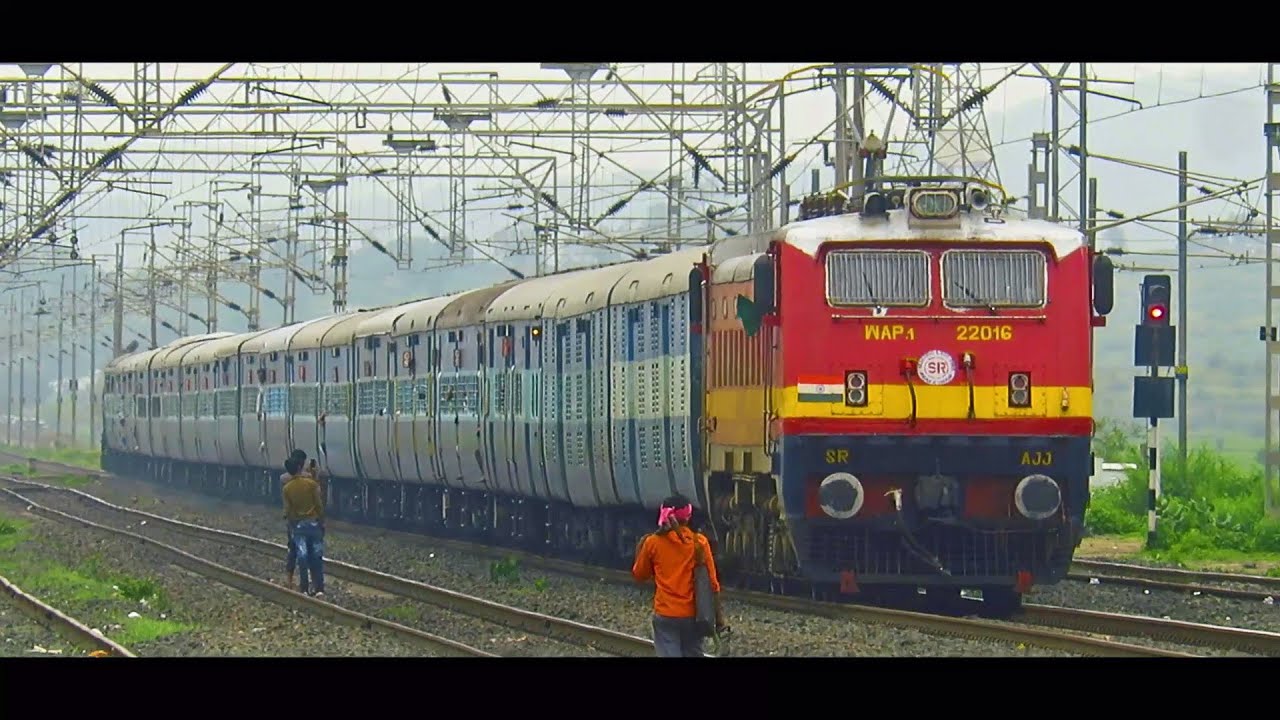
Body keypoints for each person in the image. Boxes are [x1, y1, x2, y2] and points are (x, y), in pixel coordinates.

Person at [631, 494, 727, 657]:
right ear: (688, 517)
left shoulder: (653, 542)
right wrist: (719, 619)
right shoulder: (700, 543)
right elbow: (713, 584)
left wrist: (641, 548)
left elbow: (640, 575)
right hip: (693, 616)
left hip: (666, 615)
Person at [282, 454, 326, 597]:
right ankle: (319, 588)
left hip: (298, 527)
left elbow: (288, 510)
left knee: (302, 556)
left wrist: (292, 523)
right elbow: (319, 505)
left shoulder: (287, 488)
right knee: (317, 556)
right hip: (314, 524)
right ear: (300, 467)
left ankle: (304, 589)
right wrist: (321, 521)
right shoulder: (312, 484)